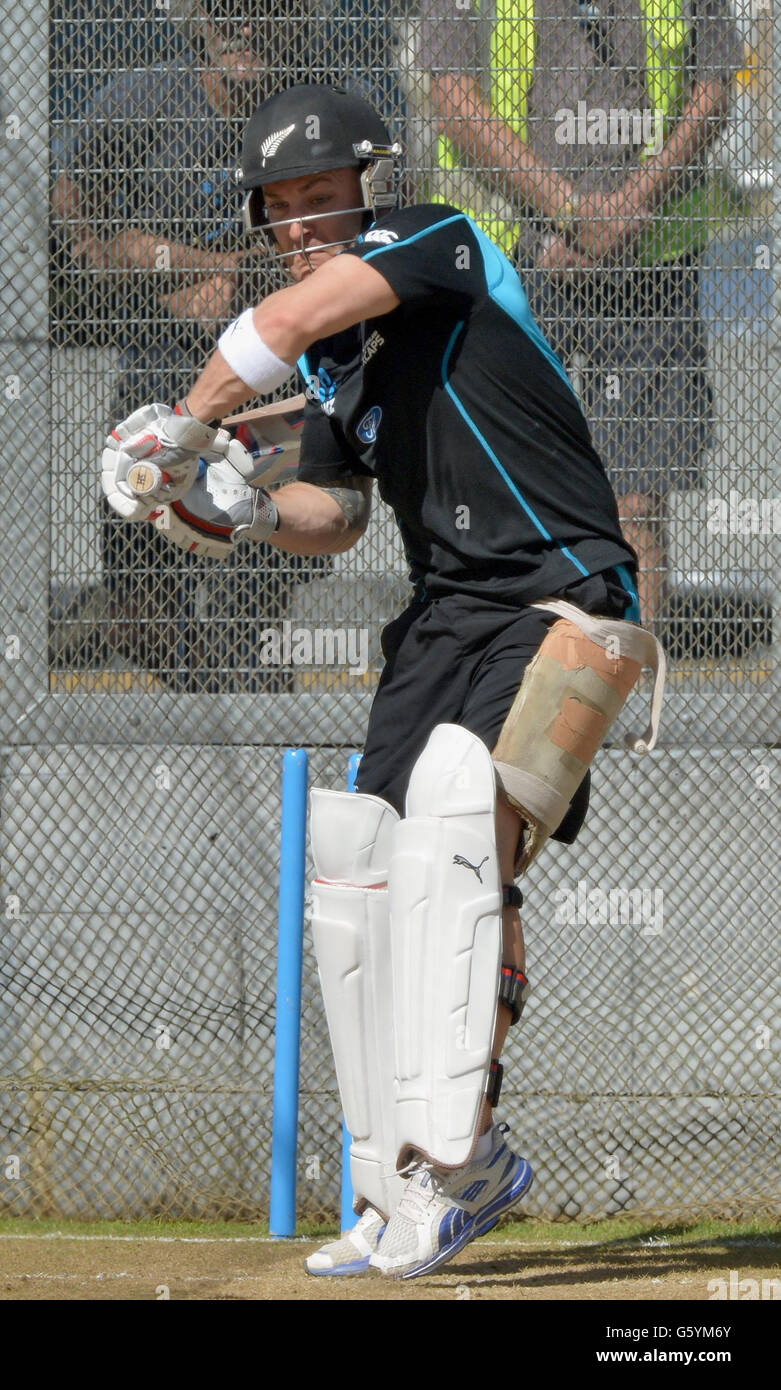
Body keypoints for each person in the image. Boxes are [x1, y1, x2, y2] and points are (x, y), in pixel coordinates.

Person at [100, 83, 664, 1280]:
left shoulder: (434, 239)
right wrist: (234, 504)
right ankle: (387, 1185)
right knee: (359, 858)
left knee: (464, 824)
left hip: (559, 591)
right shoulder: (343, 358)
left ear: (368, 187)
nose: (306, 221)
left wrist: (192, 420)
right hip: (443, 616)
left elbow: (295, 318)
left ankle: (457, 1161)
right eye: (283, 207)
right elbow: (338, 516)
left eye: (323, 197)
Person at [417, 0, 743, 627]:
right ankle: (512, 687)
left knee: (635, 498)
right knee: (506, 490)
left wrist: (632, 204)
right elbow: (454, 99)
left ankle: (624, 696)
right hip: (508, 260)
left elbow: (713, 86)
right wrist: (570, 209)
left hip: (649, 262)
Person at [51, 2, 321, 687]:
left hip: (275, 395)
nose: (248, 24)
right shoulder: (141, 100)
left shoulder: (318, 110)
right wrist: (145, 261)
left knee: (247, 598)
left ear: (301, 20)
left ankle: (247, 696)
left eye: (271, 11)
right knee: (139, 614)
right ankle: (209, 695)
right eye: (228, 9)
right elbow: (73, 208)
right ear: (196, 18)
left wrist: (247, 281)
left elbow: (356, 241)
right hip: (159, 384)